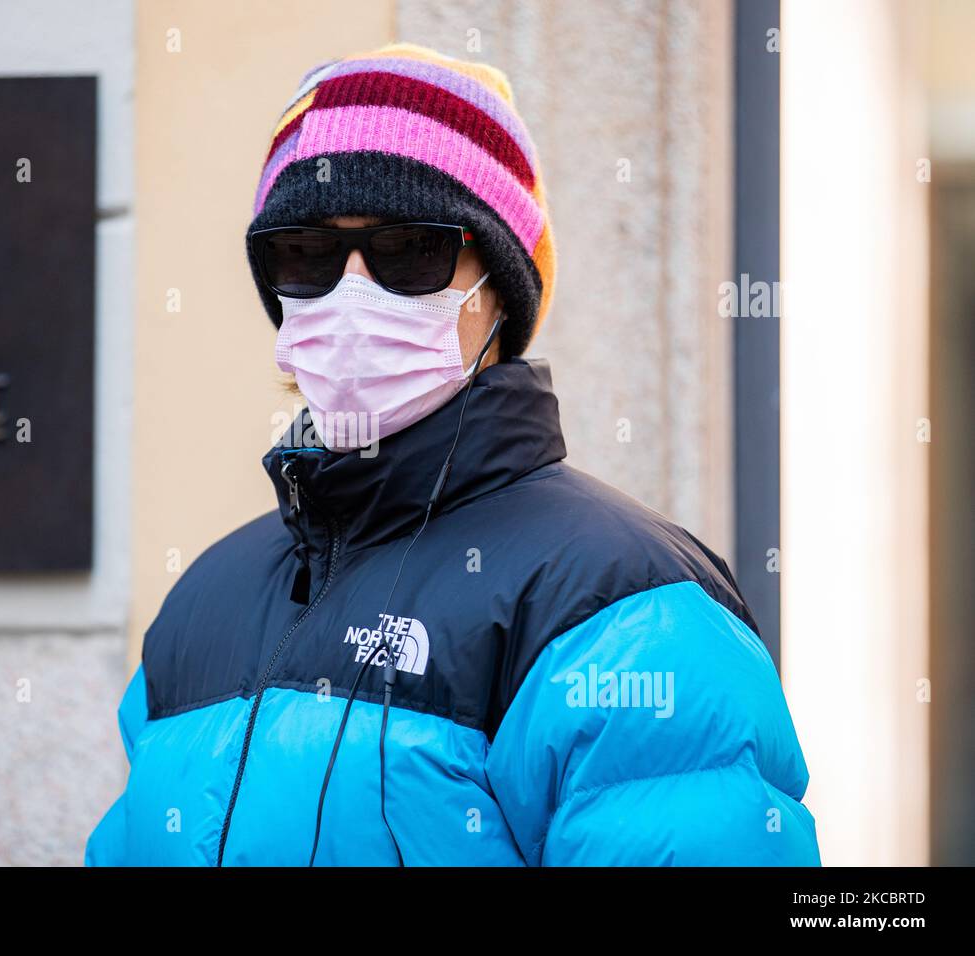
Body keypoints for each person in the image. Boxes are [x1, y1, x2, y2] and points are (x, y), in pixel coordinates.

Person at [86, 42, 820, 866]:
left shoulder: (625, 606)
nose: (352, 291)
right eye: (307, 254)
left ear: (497, 289)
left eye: (410, 251)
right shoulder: (201, 606)